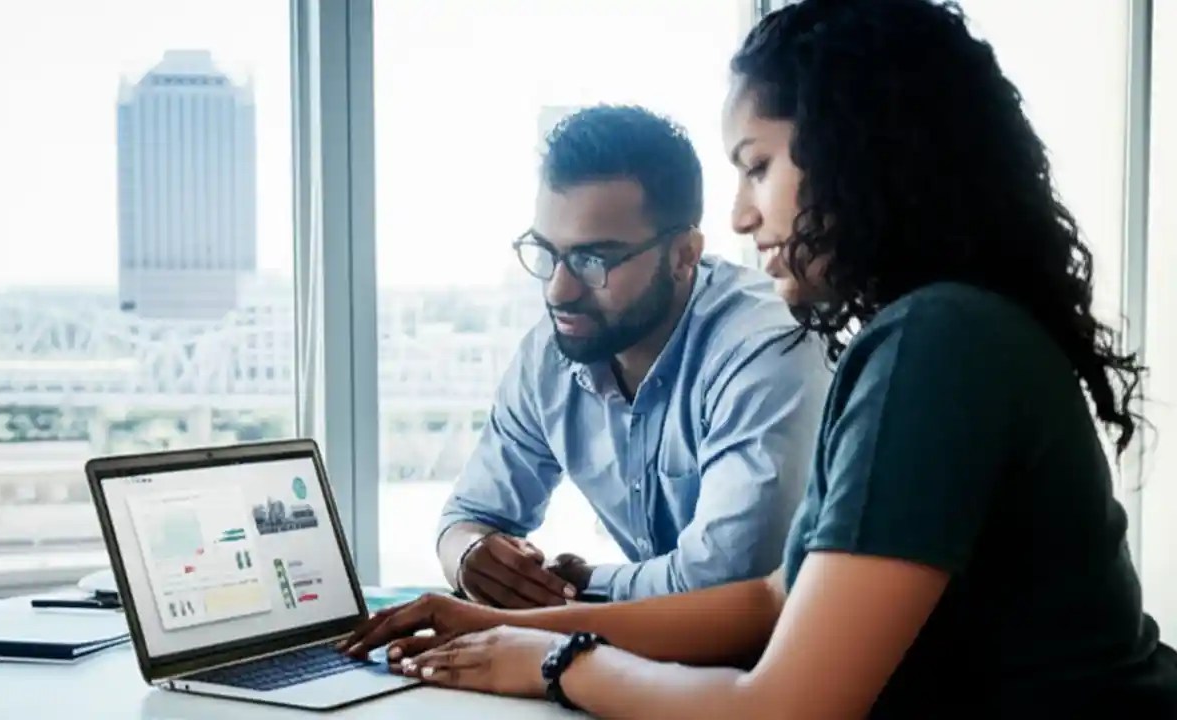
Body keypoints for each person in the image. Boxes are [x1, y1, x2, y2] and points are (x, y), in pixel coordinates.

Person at [343, 1, 1177, 716]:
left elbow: (786, 708)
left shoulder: (938, 343)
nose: (743, 217)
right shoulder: (935, 328)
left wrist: (557, 665)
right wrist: (499, 626)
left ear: (859, 154)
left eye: (758, 167)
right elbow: (769, 601)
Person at [435, 104, 829, 606]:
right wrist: (472, 556)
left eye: (593, 258)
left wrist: (570, 587)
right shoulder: (554, 352)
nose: (559, 290)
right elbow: (468, 515)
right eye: (547, 252)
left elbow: (725, 582)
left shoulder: (765, 349)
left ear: (684, 255)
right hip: (659, 660)